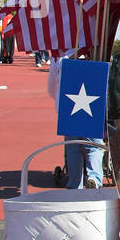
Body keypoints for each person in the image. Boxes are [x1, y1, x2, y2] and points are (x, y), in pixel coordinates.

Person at [47, 49, 103, 189]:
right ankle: (94, 178)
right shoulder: (96, 54)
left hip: (67, 106)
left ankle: (74, 185)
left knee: (73, 148)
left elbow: (51, 88)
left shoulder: (58, 58)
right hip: (93, 104)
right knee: (94, 147)